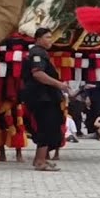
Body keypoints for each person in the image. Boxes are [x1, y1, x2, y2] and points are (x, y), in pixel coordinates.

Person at [21, 28, 71, 172]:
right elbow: (38, 74)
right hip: (42, 98)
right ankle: (41, 161)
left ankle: (39, 159)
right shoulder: (37, 53)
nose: (50, 40)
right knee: (46, 127)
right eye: (48, 37)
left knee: (48, 127)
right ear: (38, 38)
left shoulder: (40, 53)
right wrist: (59, 84)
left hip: (45, 96)